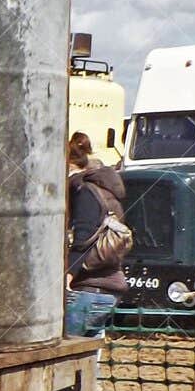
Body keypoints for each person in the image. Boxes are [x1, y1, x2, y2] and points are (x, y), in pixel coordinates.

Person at [65, 132, 128, 337]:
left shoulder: (84, 191)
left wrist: (67, 276)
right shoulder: (104, 188)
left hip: (89, 289)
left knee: (67, 355)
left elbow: (83, 237)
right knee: (88, 361)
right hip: (107, 288)